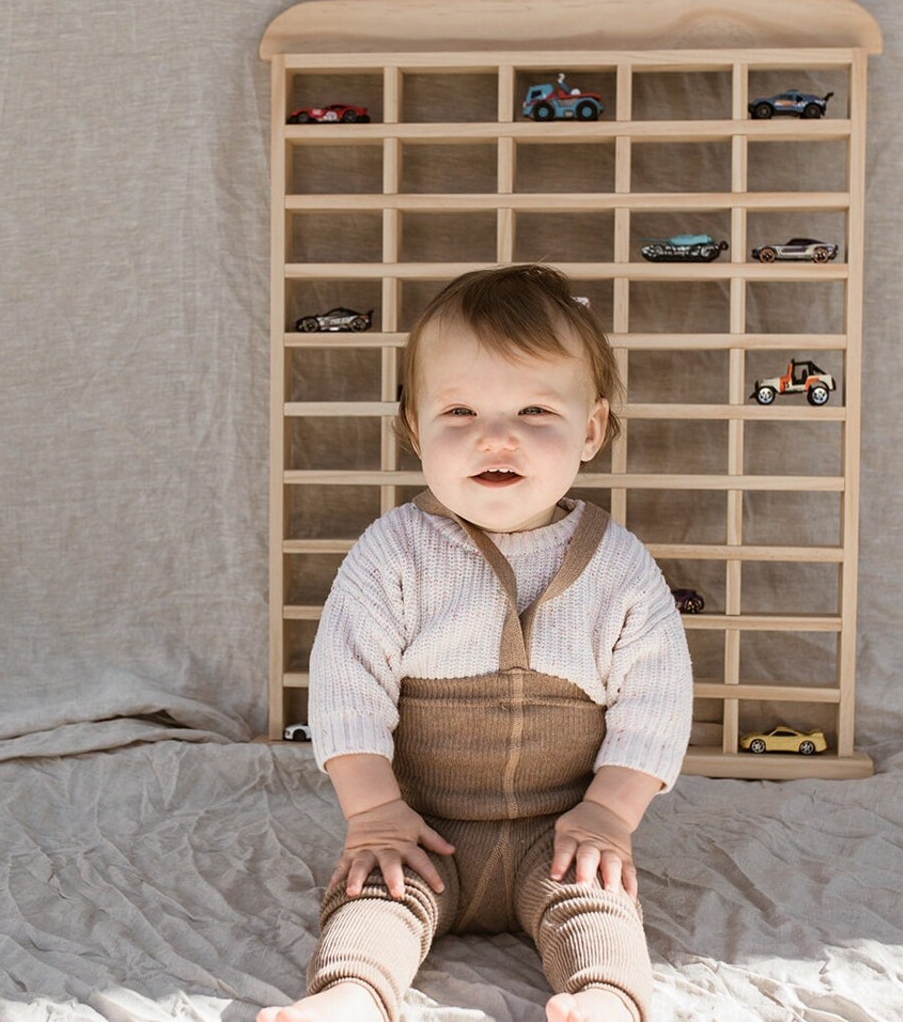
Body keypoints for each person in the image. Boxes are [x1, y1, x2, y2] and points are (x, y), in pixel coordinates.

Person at [259, 264, 692, 1022]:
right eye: (460, 410)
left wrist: (608, 815)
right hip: (420, 824)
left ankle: (607, 997)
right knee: (375, 897)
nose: (497, 435)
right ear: (413, 427)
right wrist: (372, 812)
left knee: (598, 899)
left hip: (559, 827)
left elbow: (656, 697)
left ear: (591, 428)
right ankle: (354, 993)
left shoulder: (618, 563)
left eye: (533, 409)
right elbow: (346, 685)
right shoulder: (394, 553)